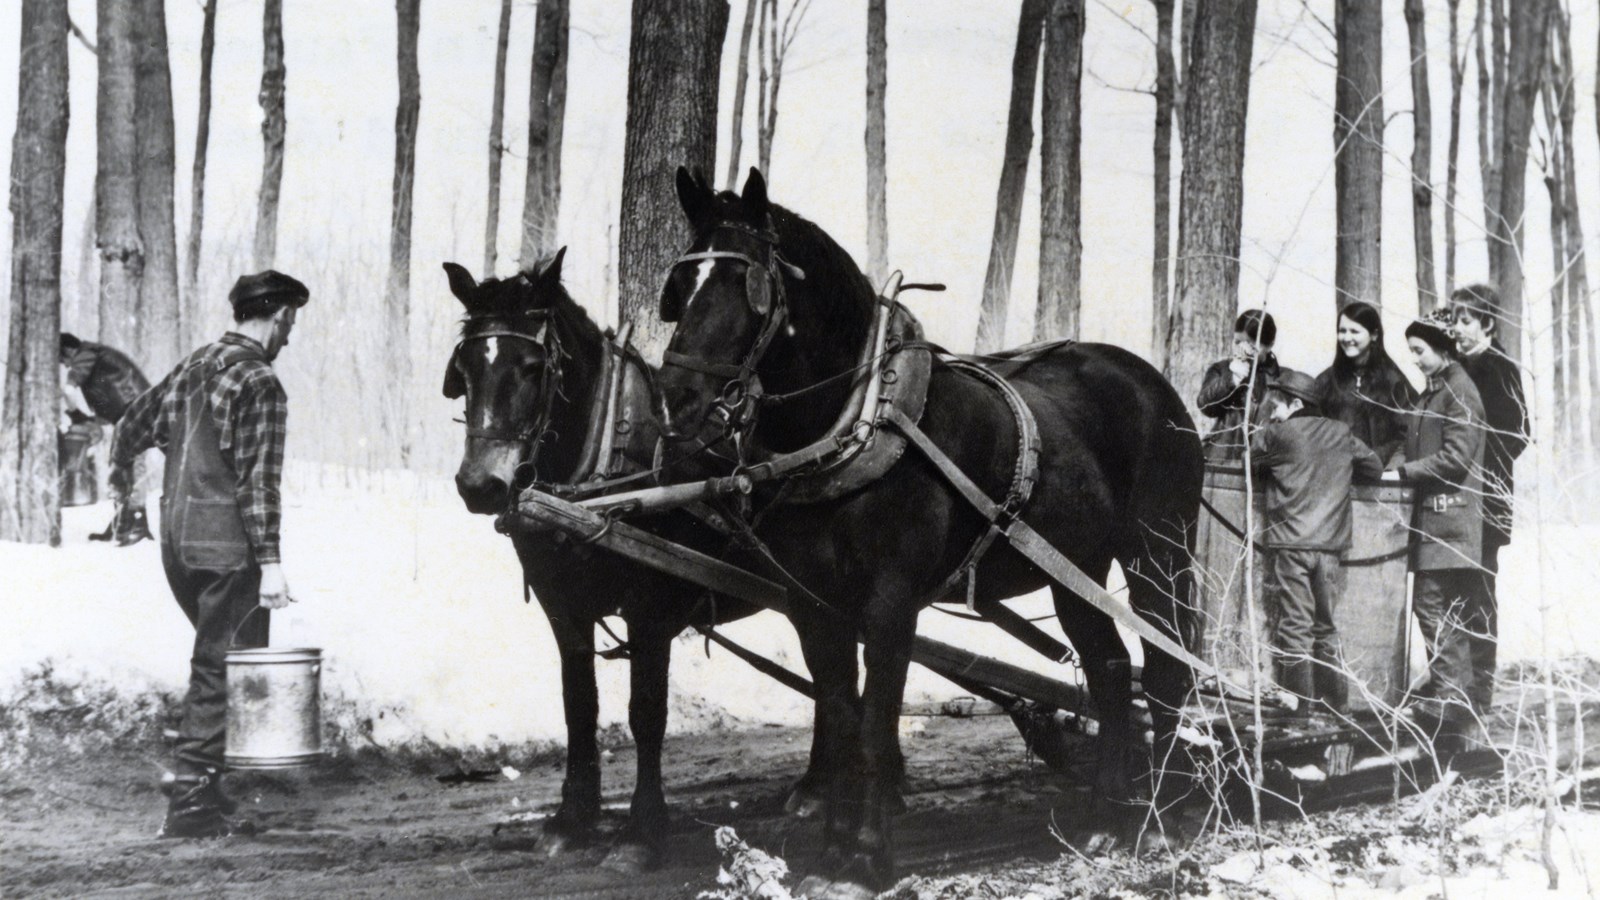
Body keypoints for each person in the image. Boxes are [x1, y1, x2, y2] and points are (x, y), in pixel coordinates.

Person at [111, 271, 308, 839]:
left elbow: (127, 430)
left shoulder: (195, 366)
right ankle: (193, 803)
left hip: (178, 547)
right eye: (290, 324)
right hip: (226, 549)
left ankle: (208, 788)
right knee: (222, 667)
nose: (289, 337)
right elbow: (258, 483)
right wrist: (270, 563)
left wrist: (128, 499)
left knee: (219, 661)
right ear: (275, 318)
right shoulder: (260, 382)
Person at [1250, 369, 1383, 717]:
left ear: (1296, 403)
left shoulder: (1277, 434)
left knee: (1295, 625)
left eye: (1276, 407)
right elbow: (1374, 467)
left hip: (1292, 546)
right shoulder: (1342, 433)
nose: (1272, 414)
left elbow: (1251, 460)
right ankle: (1337, 704)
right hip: (1331, 549)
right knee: (1325, 626)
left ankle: (1301, 710)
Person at [1384, 316, 1486, 761]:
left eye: (1420, 350)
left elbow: (1455, 458)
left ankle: (1454, 716)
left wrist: (1403, 473)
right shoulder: (1435, 389)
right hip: (1432, 524)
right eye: (1411, 350)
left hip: (1451, 525)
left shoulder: (1459, 391)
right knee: (1438, 616)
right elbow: (1415, 443)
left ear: (1443, 349)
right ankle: (1454, 713)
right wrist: (1387, 465)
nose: (1414, 358)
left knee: (1436, 613)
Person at [1447, 285, 1528, 715]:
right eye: (1454, 320)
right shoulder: (1450, 366)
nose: (1457, 330)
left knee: (1479, 595)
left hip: (1485, 504)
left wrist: (1476, 468)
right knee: (1447, 595)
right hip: (1450, 504)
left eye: (1466, 321)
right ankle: (1451, 686)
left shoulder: (1501, 369)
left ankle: (1479, 692)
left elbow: (1518, 434)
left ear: (1488, 325)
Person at [59, 333, 153, 543]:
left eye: (63, 360)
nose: (66, 366)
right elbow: (107, 397)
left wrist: (74, 410)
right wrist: (89, 418)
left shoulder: (86, 353)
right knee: (120, 467)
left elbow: (69, 388)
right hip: (133, 411)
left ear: (68, 351)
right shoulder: (97, 356)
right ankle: (123, 522)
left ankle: (137, 523)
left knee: (132, 466)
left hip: (135, 411)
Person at [1313, 301, 1416, 464]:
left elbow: (1406, 435)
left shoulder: (1393, 381)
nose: (1347, 338)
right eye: (1342, 331)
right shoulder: (1325, 381)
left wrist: (1371, 458)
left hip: (1381, 474)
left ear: (1374, 335)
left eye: (1354, 331)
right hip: (1336, 472)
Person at [1197, 309, 1280, 462]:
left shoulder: (1281, 380)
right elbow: (1205, 405)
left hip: (1260, 465)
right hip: (1222, 460)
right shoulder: (1222, 370)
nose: (1243, 350)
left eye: (1251, 345)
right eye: (1237, 342)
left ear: (1269, 345)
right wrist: (1232, 379)